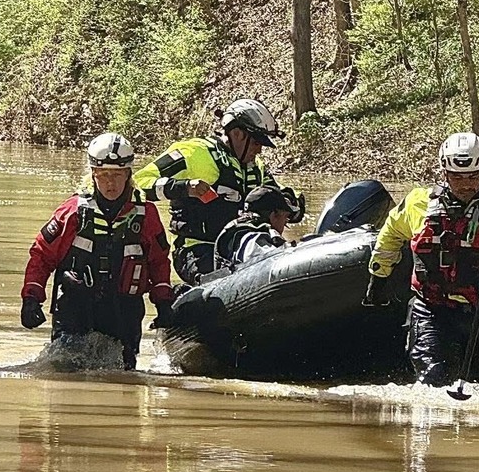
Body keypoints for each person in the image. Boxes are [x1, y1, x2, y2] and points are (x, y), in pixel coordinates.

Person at [365, 132, 479, 391]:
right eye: (457, 177)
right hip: (431, 308)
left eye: (472, 177)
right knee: (432, 383)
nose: (465, 185)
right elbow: (390, 234)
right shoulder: (419, 203)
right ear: (445, 174)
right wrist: (379, 276)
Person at [21, 132, 174, 370]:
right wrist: (31, 298)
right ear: (93, 174)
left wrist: (163, 303)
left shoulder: (146, 215)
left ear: (128, 174)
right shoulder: (72, 212)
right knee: (64, 372)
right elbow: (42, 255)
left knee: (123, 377)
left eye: (117, 175)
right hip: (76, 307)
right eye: (103, 175)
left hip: (123, 311)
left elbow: (159, 262)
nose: (110, 183)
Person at [133, 98, 303, 284]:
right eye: (256, 142)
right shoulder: (195, 153)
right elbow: (138, 183)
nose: (260, 150)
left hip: (244, 247)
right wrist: (184, 188)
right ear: (237, 133)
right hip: (198, 250)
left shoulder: (256, 168)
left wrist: (290, 206)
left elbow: (278, 198)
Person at [213, 186, 300, 271]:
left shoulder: (243, 234)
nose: (285, 222)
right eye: (285, 217)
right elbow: (268, 265)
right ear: (273, 215)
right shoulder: (253, 239)